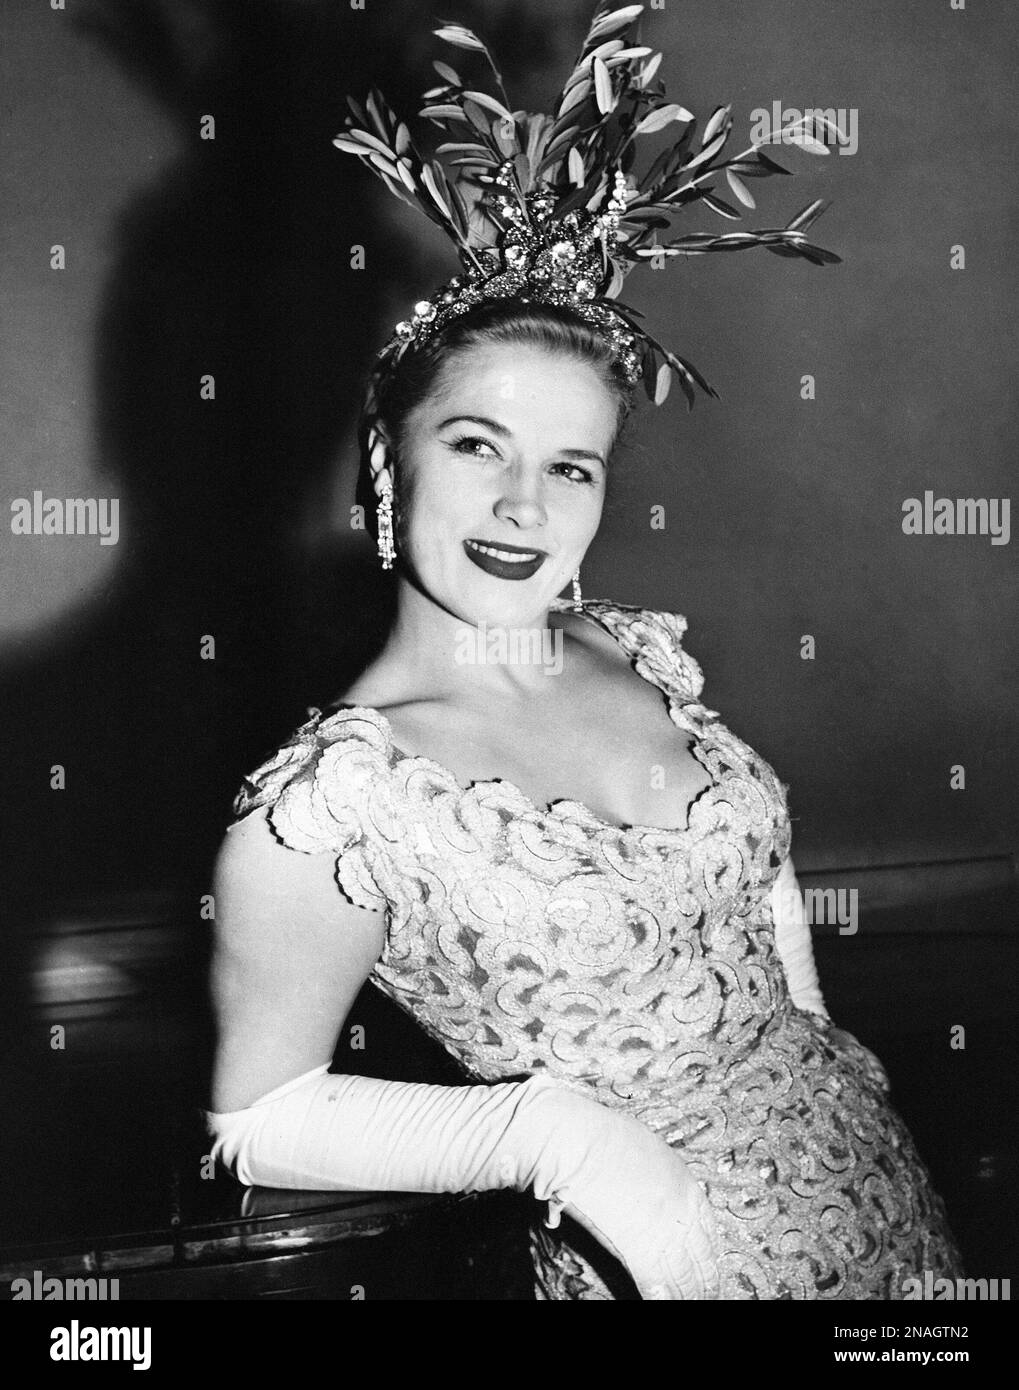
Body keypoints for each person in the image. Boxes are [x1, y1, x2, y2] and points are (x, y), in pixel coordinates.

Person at [204, 4, 963, 1299]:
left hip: (882, 1206)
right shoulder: (328, 807)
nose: (523, 507)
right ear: (390, 461)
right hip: (662, 1272)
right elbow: (255, 1120)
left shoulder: (634, 646)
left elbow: (755, 864)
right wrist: (559, 1137)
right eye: (476, 445)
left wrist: (813, 1034)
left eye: (570, 465)